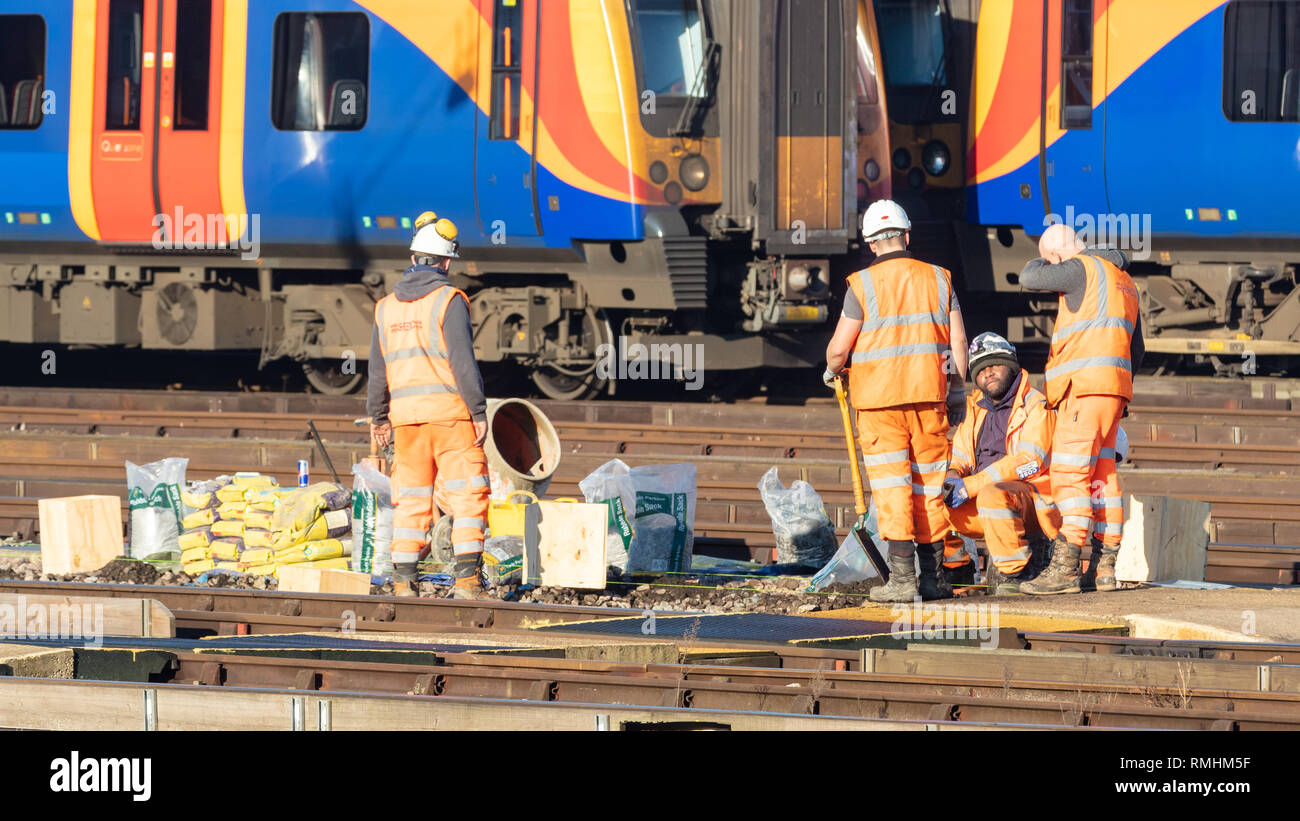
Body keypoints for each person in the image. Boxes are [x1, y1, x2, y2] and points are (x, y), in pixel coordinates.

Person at [824, 199, 969, 602]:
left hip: (879, 406)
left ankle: (903, 581)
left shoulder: (863, 285)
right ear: (907, 236)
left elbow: (838, 351)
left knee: (893, 488)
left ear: (871, 244)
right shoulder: (940, 279)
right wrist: (956, 392)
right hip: (929, 401)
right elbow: (958, 342)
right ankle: (934, 580)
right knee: (929, 486)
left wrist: (832, 369)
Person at [367, 212, 491, 600]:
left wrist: (378, 417)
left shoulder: (385, 308)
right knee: (469, 494)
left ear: (413, 257)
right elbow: (463, 363)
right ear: (446, 261)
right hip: (451, 419)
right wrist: (479, 411)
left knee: (412, 498)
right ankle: (468, 582)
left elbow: (376, 369)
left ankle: (404, 582)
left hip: (405, 424)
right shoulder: (449, 300)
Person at [1015, 224, 1142, 594]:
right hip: (1113, 394)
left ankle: (1066, 568)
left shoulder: (1078, 269)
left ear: (1056, 256)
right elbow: (1138, 350)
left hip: (1082, 392)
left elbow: (1029, 275)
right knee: (1104, 477)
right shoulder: (1125, 283)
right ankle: (1104, 568)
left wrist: (1052, 259)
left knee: (1069, 474)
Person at [941, 333, 1060, 595]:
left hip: (1031, 503)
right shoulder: (975, 408)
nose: (988, 373)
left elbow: (1032, 462)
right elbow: (960, 455)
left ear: (1012, 365)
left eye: (995, 364)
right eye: (981, 369)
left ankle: (1014, 575)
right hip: (983, 500)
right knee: (932, 495)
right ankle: (957, 567)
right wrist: (952, 476)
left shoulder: (1036, 405)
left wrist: (972, 485)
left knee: (992, 495)